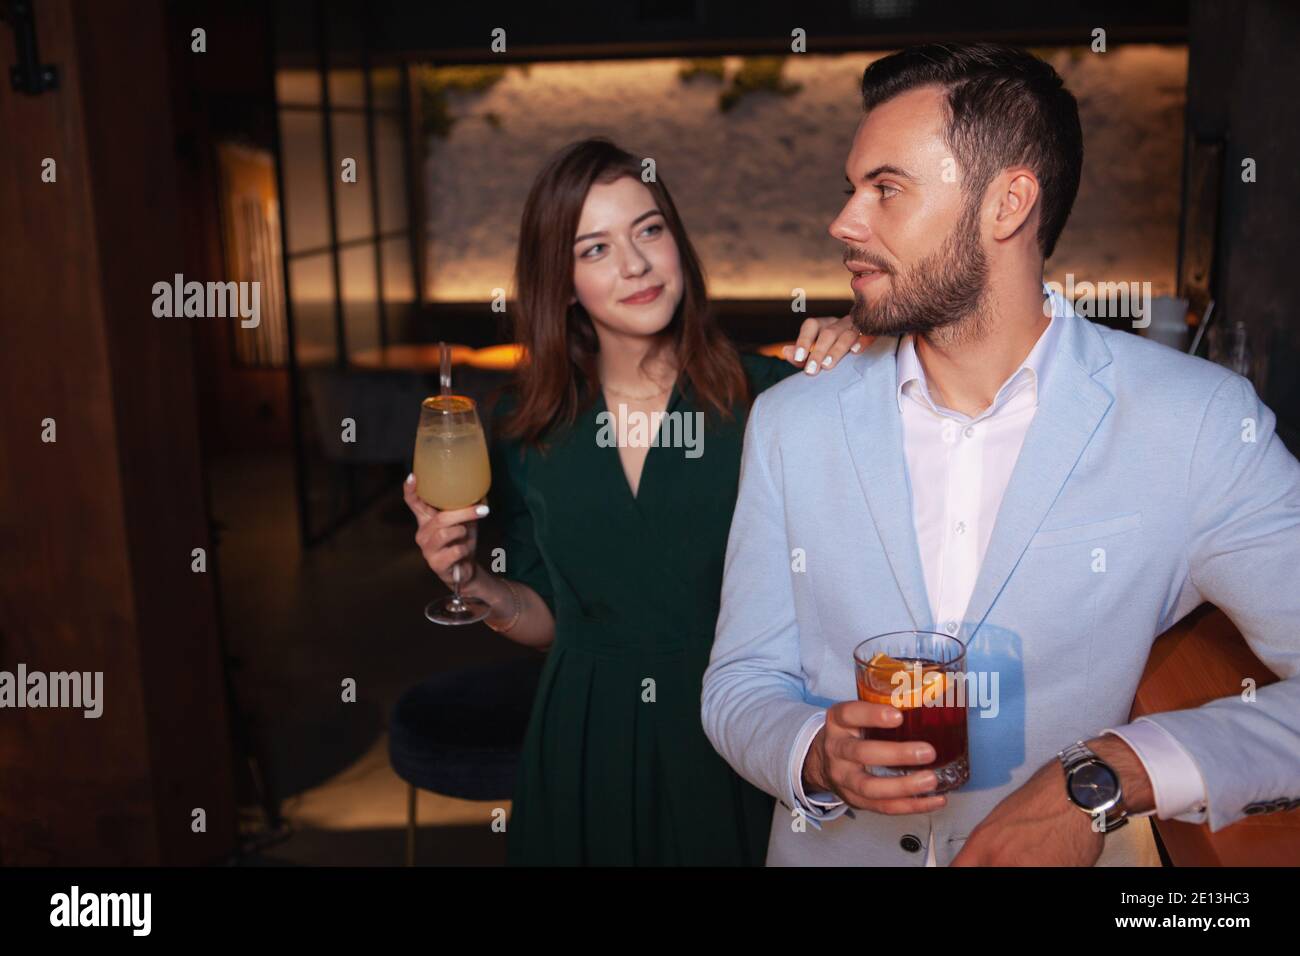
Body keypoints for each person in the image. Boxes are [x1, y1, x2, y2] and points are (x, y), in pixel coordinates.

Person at [703, 42, 1300, 866]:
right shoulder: (791, 423)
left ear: (1008, 203)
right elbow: (739, 682)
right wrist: (813, 749)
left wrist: (1109, 773)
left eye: (886, 189)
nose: (843, 223)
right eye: (852, 190)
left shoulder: (1195, 423)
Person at [403, 138, 867, 864]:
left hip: (736, 729)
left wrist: (861, 348)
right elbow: (555, 619)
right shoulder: (525, 426)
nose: (636, 264)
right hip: (584, 734)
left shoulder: (771, 398)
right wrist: (473, 582)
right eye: (594, 249)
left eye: (649, 230)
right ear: (560, 281)